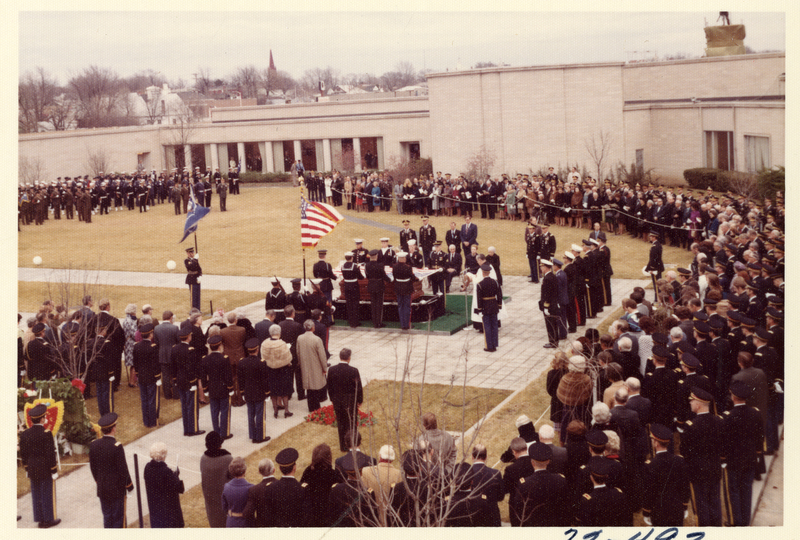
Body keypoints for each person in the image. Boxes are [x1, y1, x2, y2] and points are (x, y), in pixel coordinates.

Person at [722, 380, 765, 526]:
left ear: (733, 396)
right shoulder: (755, 413)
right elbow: (760, 437)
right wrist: (758, 453)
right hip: (750, 458)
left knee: (734, 490)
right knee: (747, 490)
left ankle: (736, 521)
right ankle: (745, 521)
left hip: (734, 460)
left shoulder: (728, 416)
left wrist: (723, 458)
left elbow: (725, 441)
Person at [19, 403, 60, 528]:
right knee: (46, 492)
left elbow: (23, 453)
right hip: (45, 467)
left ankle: (39, 518)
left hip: (32, 467)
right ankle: (48, 520)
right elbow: (50, 453)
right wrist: (54, 470)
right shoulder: (46, 433)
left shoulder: (25, 434)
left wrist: (26, 468)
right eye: (45, 417)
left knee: (36, 492)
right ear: (42, 419)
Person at [89, 413, 134, 528]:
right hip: (116, 489)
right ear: (114, 428)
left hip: (102, 487)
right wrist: (129, 486)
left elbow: (93, 467)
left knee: (107, 516)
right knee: (119, 518)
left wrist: (97, 481)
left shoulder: (94, 445)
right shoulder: (116, 447)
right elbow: (123, 469)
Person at [641, 424, 689, 526]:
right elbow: (685, 486)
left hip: (658, 511)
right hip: (677, 509)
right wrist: (684, 506)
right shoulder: (679, 461)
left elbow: (649, 491)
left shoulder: (650, 465)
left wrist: (646, 511)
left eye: (652, 439)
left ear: (656, 443)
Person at [261, 447, 310, 527]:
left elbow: (267, 517)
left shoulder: (270, 488)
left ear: (280, 469)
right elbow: (306, 517)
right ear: (295, 467)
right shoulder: (302, 489)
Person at [327, 348, 364, 452]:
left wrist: (332, 399)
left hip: (338, 401)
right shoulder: (353, 371)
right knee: (351, 423)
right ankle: (353, 445)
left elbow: (329, 386)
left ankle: (343, 446)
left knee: (341, 423)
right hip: (350, 401)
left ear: (340, 357)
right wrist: (359, 400)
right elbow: (358, 387)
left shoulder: (332, 370)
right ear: (349, 358)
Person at [172, 325, 205, 436]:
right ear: (188, 337)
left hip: (180, 380)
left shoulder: (175, 348)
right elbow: (191, 368)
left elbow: (173, 367)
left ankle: (187, 429)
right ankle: (193, 429)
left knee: (184, 406)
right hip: (189, 381)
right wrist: (193, 382)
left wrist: (175, 380)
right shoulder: (190, 350)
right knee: (192, 406)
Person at [143, 442, 184, 528]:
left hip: (155, 510)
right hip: (168, 513)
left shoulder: (147, 468)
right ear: (163, 455)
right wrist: (175, 476)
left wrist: (173, 476)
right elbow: (180, 488)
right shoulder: (166, 471)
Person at [237, 338, 270, 443]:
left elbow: (240, 380)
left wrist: (242, 392)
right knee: (260, 414)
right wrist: (267, 393)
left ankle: (253, 435)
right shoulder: (261, 363)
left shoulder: (242, 362)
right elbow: (265, 380)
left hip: (248, 392)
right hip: (259, 392)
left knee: (251, 414)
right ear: (257, 349)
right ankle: (260, 436)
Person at [300, 444, 340, 527]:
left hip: (312, 517)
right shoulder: (333, 474)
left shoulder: (307, 472)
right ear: (329, 457)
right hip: (330, 518)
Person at [202, 335, 234, 438]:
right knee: (224, 411)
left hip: (212, 388)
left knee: (214, 411)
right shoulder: (224, 359)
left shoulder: (206, 359)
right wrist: (230, 388)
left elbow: (203, 376)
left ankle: (216, 432)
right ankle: (224, 433)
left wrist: (205, 388)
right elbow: (228, 375)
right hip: (223, 388)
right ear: (220, 346)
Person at [200, 431, 233, 528]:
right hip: (224, 502)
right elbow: (234, 479)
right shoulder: (227, 459)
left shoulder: (203, 458)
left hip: (210, 501)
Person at [261, 324, 294, 419]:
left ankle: (275, 410)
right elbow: (289, 358)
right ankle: (286, 410)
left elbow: (263, 357)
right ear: (279, 332)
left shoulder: (264, 344)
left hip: (270, 370)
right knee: (284, 390)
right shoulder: (282, 344)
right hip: (283, 370)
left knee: (273, 391)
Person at [132, 323, 161, 428]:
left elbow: (135, 363)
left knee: (144, 400)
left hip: (142, 377)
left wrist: (138, 374)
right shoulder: (153, 347)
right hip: (151, 377)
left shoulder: (137, 346)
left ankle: (146, 421)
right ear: (150, 334)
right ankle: (153, 421)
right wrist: (158, 377)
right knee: (152, 400)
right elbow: (155, 364)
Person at [297, 319, 329, 412]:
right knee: (315, 386)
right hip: (315, 366)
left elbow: (298, 353)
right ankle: (315, 407)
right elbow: (322, 356)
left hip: (305, 365)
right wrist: (324, 367)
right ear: (313, 328)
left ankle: (311, 407)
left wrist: (301, 363)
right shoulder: (317, 339)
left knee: (309, 387)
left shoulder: (300, 338)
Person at [475, 263, 502, 352]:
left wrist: (479, 309)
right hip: (494, 306)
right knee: (494, 326)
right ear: (489, 273)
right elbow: (499, 295)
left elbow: (479, 298)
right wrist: (499, 305)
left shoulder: (480, 284)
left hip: (486, 307)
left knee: (487, 327)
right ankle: (494, 344)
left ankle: (489, 346)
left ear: (483, 273)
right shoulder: (495, 282)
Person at [153, 310, 179, 400]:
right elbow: (178, 342)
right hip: (173, 355)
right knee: (174, 374)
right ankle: (176, 394)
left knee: (165, 375)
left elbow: (156, 342)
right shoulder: (175, 328)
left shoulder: (156, 328)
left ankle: (167, 395)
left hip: (162, 354)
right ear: (171, 317)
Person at [221, 457, 252, 528]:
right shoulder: (251, 487)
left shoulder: (226, 486)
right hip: (247, 523)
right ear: (244, 471)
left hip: (231, 522)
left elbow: (224, 507)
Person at [365, 249, 392, 327]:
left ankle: (374, 322)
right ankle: (379, 322)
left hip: (371, 285)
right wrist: (389, 280)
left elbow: (367, 276)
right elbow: (384, 276)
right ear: (376, 256)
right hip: (379, 285)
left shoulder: (367, 265)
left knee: (373, 304)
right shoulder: (380, 265)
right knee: (379, 305)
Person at [392, 251, 418, 330]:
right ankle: (407, 324)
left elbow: (394, 276)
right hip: (407, 288)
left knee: (400, 306)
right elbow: (413, 277)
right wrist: (417, 278)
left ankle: (402, 324)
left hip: (398, 288)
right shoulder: (408, 267)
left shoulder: (394, 267)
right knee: (407, 306)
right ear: (403, 258)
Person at [539, 259, 560, 348]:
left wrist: (546, 306)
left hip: (550, 306)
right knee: (553, 324)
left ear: (545, 267)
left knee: (550, 324)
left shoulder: (548, 278)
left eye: (542, 267)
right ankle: (555, 341)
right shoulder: (552, 276)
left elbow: (547, 294)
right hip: (554, 304)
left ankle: (553, 342)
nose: (541, 269)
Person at [341, 251, 362, 328]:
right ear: (352, 258)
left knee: (349, 304)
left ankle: (351, 321)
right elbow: (360, 276)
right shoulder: (355, 266)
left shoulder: (342, 266)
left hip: (346, 286)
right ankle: (355, 322)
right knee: (355, 304)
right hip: (354, 286)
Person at [184, 246, 202, 311]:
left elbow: (199, 268)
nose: (192, 253)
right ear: (188, 254)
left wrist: (200, 275)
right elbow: (191, 267)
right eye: (190, 253)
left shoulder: (194, 260)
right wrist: (195, 259)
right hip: (191, 280)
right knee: (193, 296)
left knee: (197, 295)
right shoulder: (187, 261)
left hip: (197, 279)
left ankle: (198, 309)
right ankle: (194, 310)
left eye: (193, 252)